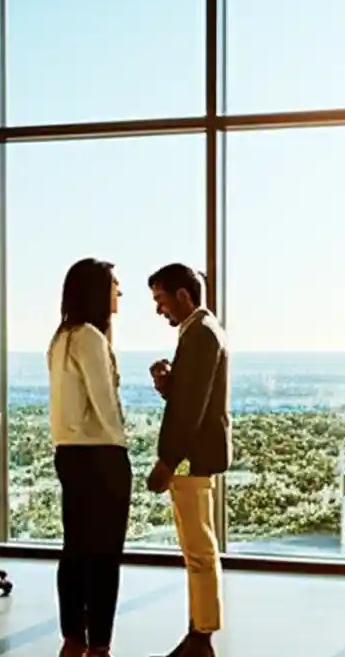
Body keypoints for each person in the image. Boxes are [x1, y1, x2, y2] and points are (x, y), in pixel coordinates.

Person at [144, 264, 231, 657]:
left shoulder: (199, 334)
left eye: (161, 300)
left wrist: (167, 460)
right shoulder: (203, 331)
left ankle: (201, 638)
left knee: (198, 550)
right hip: (197, 455)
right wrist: (169, 386)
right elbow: (191, 396)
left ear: (183, 295)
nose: (159, 310)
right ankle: (198, 632)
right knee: (198, 548)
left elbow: (192, 407)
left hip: (193, 458)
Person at [48, 258, 131, 657]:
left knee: (76, 549)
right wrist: (124, 442)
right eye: (114, 284)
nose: (119, 291)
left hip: (69, 455)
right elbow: (105, 404)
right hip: (102, 458)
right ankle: (100, 645)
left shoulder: (62, 337)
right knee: (105, 557)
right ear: (97, 290)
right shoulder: (91, 339)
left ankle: (72, 639)